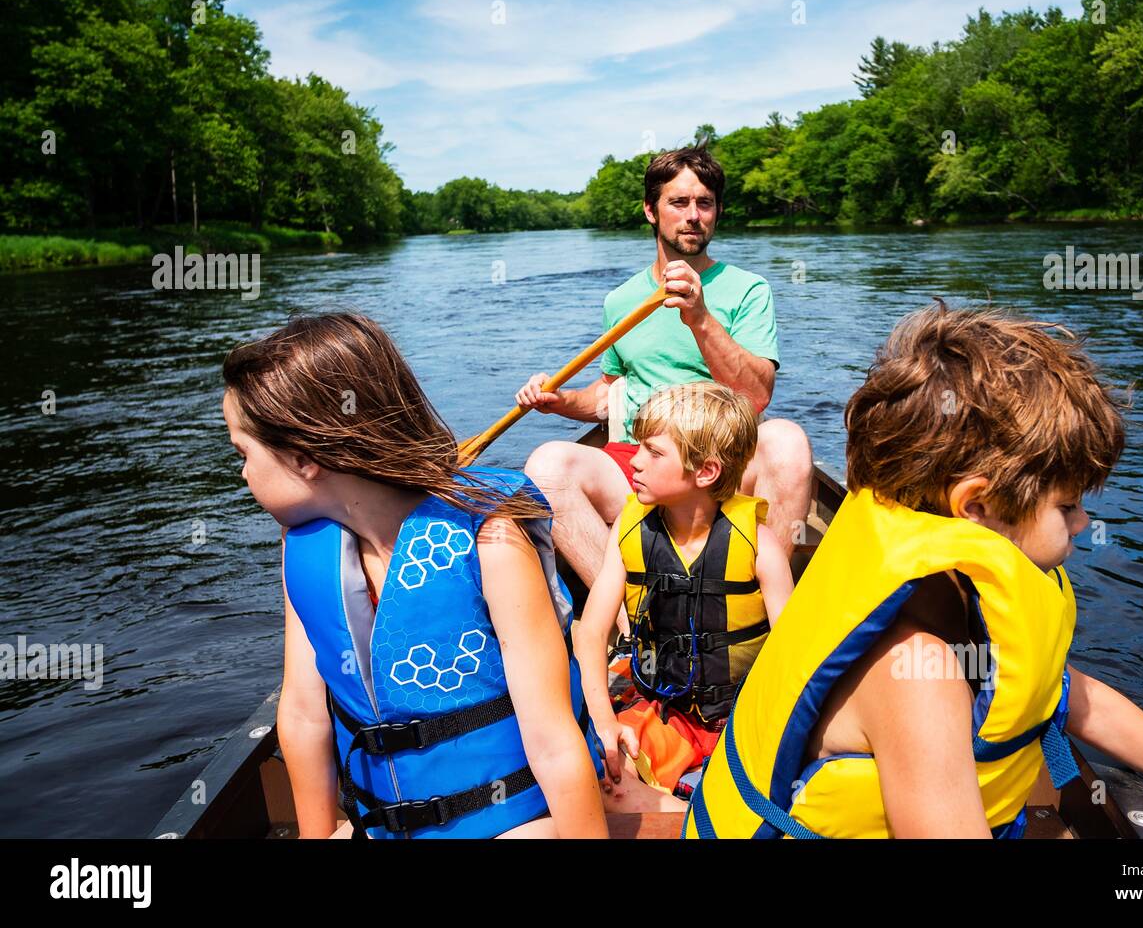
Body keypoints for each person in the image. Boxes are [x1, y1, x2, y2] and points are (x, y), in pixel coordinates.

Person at [686, 304, 1143, 839]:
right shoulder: (915, 678)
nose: (1081, 525)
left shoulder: (943, 576)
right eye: (1068, 506)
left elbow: (1068, 695)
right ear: (977, 507)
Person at [221, 313, 608, 839]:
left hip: (513, 820)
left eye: (243, 454)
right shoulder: (306, 551)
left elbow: (554, 743)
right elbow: (304, 715)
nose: (242, 474)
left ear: (305, 459)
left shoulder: (490, 540)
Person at [516, 146, 813, 591]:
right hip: (642, 464)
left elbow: (756, 397)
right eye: (679, 202)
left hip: (721, 465)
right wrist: (560, 402)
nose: (694, 215)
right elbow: (608, 394)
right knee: (547, 464)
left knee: (787, 441)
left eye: (705, 203)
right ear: (651, 211)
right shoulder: (620, 300)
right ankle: (627, 626)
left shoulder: (749, 289)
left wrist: (701, 318)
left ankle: (755, 606)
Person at [573, 383, 793, 812]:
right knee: (600, 773)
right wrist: (602, 723)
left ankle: (689, 804)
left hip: (737, 711)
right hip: (658, 702)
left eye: (653, 452)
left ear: (705, 472)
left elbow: (791, 655)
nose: (634, 462)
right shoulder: (629, 528)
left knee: (771, 783)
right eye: (639, 447)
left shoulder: (758, 546)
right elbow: (591, 633)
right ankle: (690, 805)